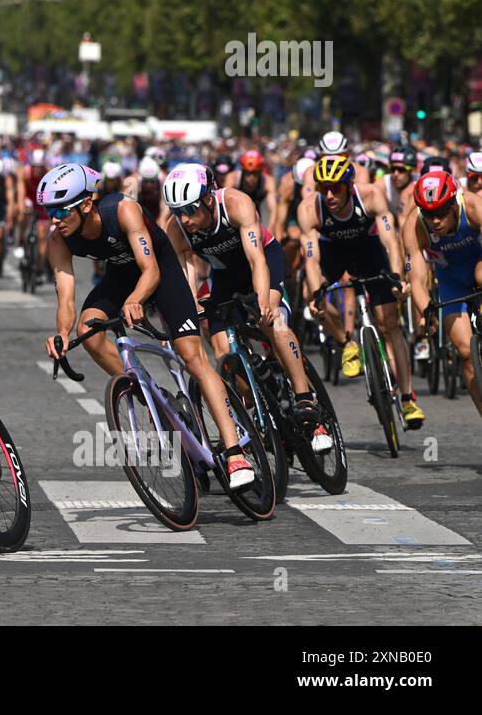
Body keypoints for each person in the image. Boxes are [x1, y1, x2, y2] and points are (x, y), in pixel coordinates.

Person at [39, 163, 258, 489]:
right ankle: (148, 393)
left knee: (192, 358)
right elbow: (66, 296)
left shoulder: (124, 210)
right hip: (122, 277)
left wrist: (136, 299)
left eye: (61, 210)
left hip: (161, 272)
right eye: (49, 211)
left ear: (86, 204)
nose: (54, 219)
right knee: (89, 329)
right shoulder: (58, 237)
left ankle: (234, 450)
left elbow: (151, 270)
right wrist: (60, 333)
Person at [161, 163, 330, 451]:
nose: (184, 219)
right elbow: (187, 277)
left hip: (263, 262)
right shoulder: (176, 230)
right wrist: (192, 310)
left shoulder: (236, 203)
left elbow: (256, 261)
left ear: (208, 198)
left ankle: (305, 401)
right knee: (220, 348)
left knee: (273, 322)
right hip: (224, 276)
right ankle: (254, 394)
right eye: (178, 212)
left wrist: (264, 300)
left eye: (190, 210)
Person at [299, 155, 424, 427]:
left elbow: (391, 241)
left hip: (369, 252)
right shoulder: (310, 209)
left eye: (337, 188)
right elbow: (311, 258)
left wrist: (396, 278)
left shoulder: (370, 196)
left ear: (349, 185)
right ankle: (347, 342)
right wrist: (317, 291)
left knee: (389, 323)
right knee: (314, 303)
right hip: (334, 253)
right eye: (323, 188)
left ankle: (407, 398)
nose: (329, 195)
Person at [403, 170, 482, 419]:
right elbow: (416, 279)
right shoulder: (414, 226)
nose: (435, 220)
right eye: (428, 213)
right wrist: (427, 310)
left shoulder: (473, 206)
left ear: (453, 203)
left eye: (440, 212)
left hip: (479, 266)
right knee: (466, 353)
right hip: (451, 281)